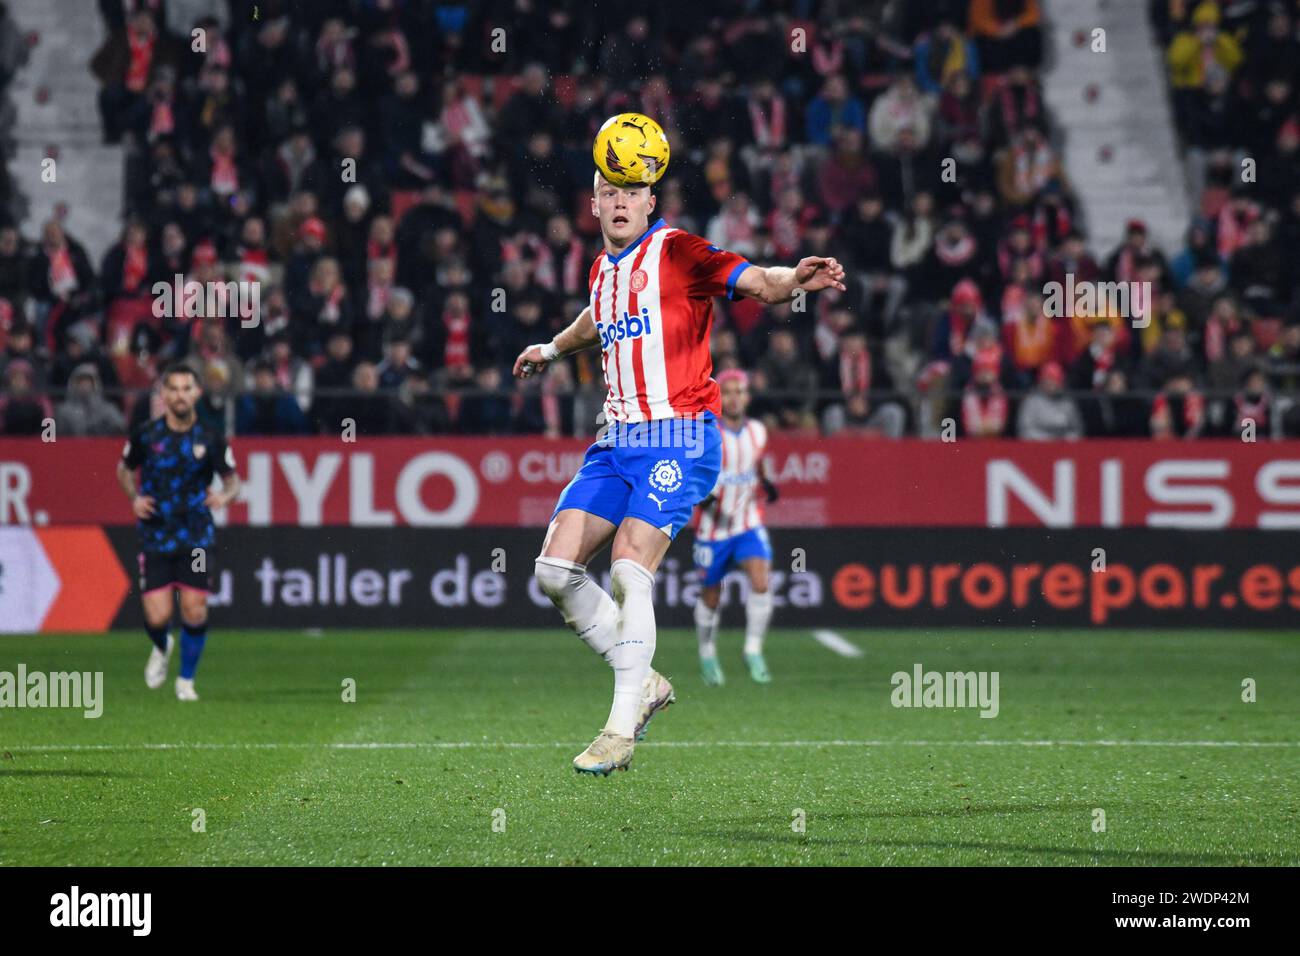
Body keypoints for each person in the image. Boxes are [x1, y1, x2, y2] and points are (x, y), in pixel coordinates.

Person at [513, 172, 845, 775]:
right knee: (554, 571)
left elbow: (754, 282)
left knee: (627, 566)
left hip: (680, 433)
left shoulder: (680, 250)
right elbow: (596, 319)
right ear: (593, 205)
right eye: (608, 194)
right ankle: (644, 682)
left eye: (630, 193)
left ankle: (618, 732)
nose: (619, 203)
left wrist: (792, 279)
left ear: (650, 203)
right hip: (614, 440)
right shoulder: (601, 271)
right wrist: (553, 350)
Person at [116, 364, 240, 701]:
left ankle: (186, 680)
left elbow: (233, 482)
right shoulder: (146, 435)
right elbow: (124, 469)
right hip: (156, 534)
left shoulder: (211, 438)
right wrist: (134, 498)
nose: (180, 395)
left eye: (187, 388)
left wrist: (223, 496)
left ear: (197, 393)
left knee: (194, 608)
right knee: (157, 616)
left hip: (197, 537)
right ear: (164, 394)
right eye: (174, 389)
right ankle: (162, 644)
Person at [691, 369, 778, 686]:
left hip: (747, 523)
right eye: (727, 392)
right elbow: (695, 474)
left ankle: (753, 650)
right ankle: (707, 652)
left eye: (739, 391)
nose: (734, 397)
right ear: (719, 397)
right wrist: (705, 499)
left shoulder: (758, 431)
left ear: (748, 397)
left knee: (761, 579)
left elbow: (759, 463)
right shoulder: (708, 433)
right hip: (713, 530)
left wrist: (767, 481)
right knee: (711, 595)